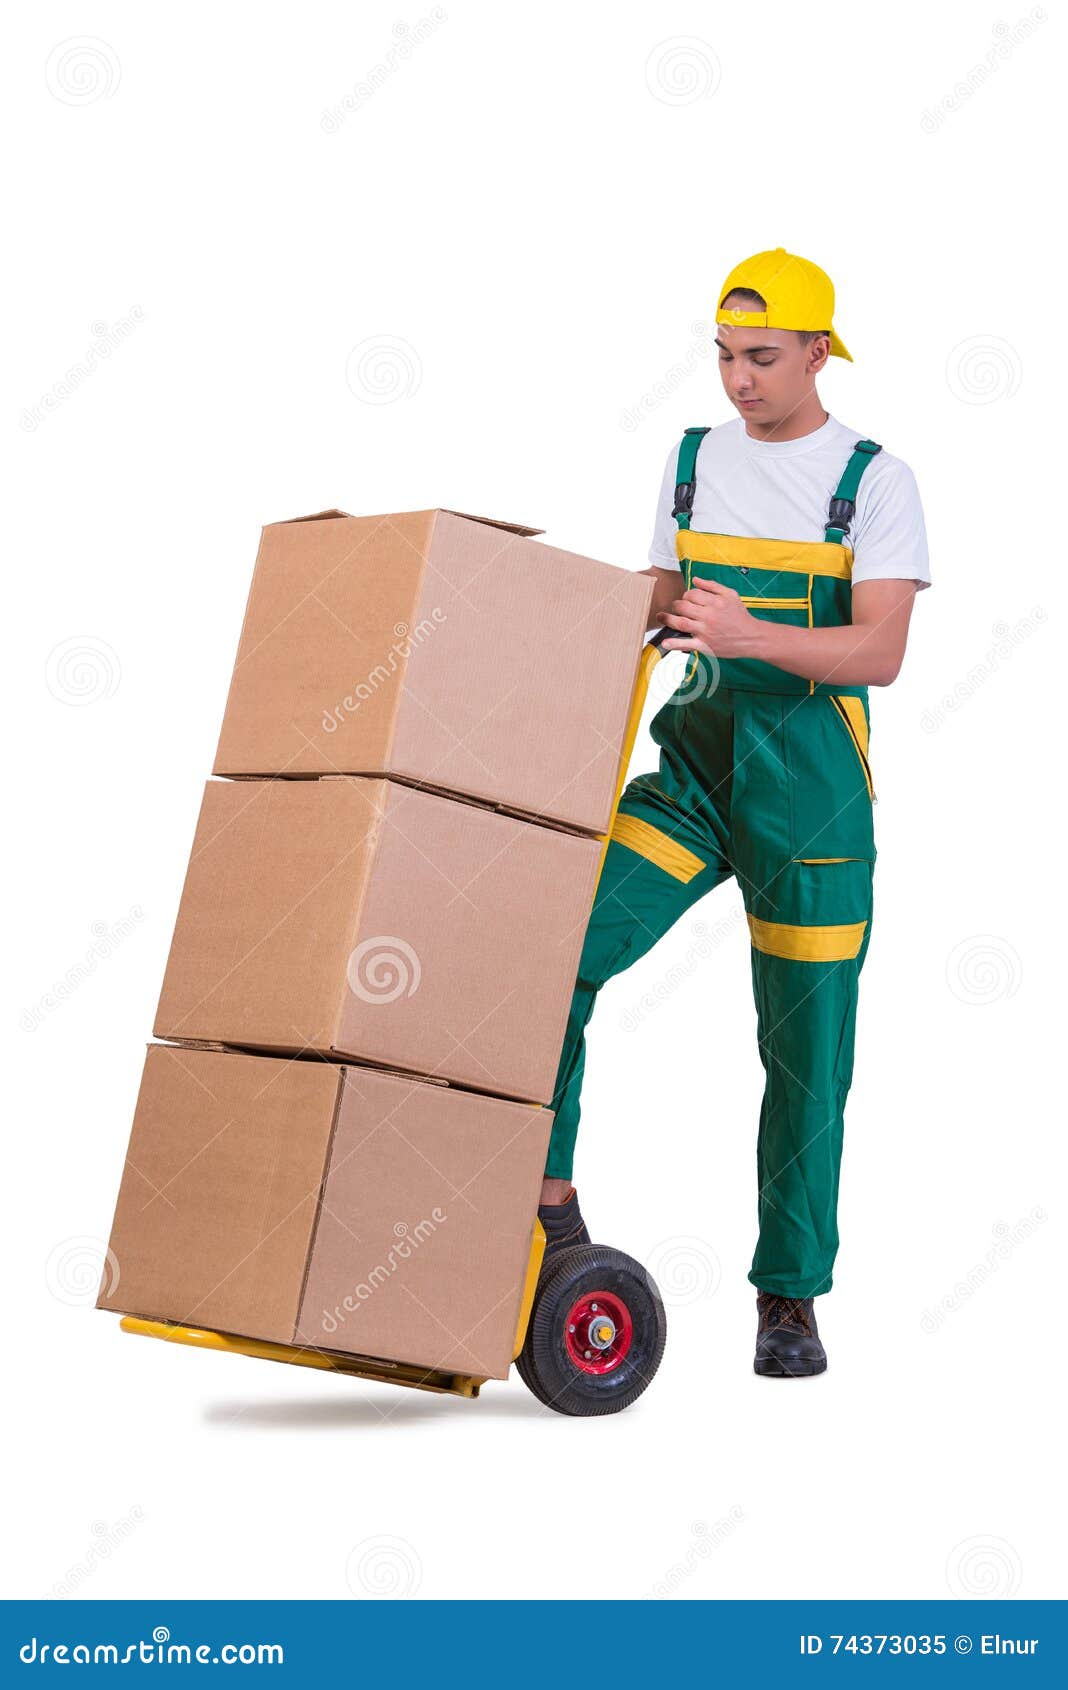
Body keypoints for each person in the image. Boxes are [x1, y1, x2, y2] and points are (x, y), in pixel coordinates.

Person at [537, 247, 930, 1377]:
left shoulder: (874, 480)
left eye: (762, 356)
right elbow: (663, 596)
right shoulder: (694, 458)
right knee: (558, 941)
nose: (738, 379)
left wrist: (747, 631)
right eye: (722, 355)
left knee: (808, 1054)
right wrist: (609, 613)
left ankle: (787, 1296)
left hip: (810, 798)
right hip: (698, 769)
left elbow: (883, 649)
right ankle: (550, 1205)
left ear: (818, 350)